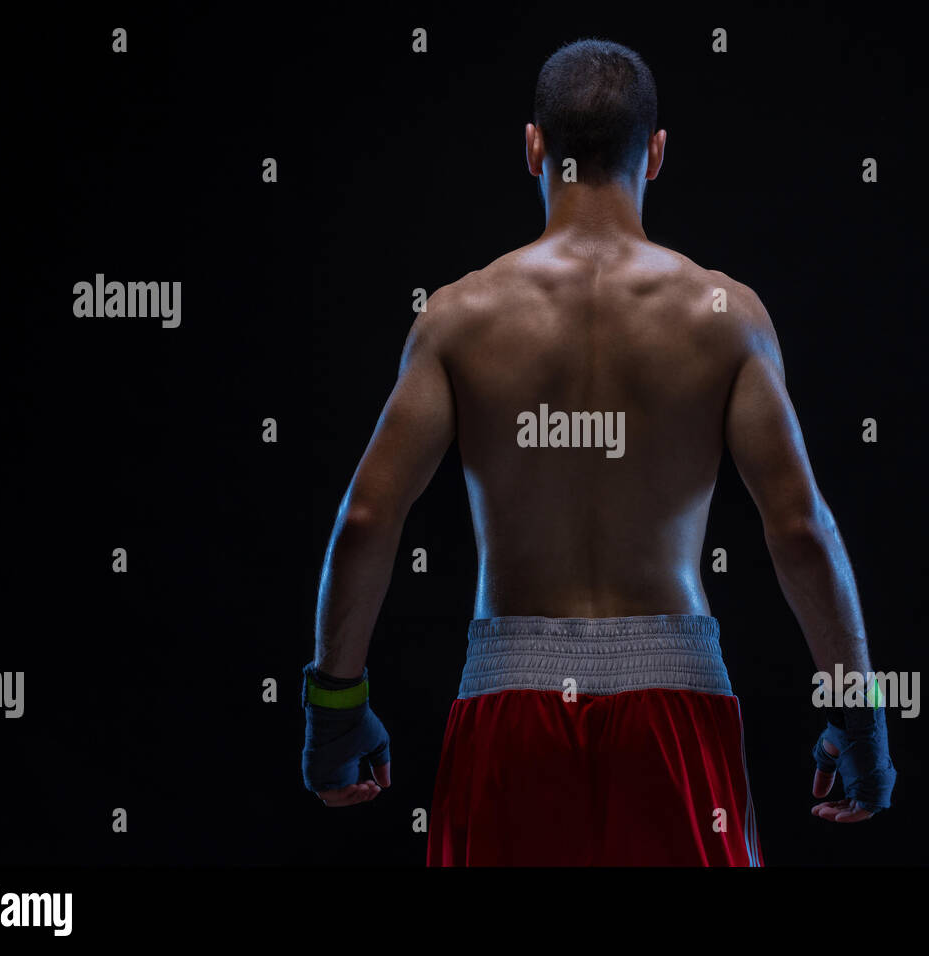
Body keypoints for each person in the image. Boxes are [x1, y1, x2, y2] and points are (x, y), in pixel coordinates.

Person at [300, 38, 895, 866]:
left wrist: (335, 703)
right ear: (654, 154)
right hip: (675, 702)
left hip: (508, 698)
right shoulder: (725, 315)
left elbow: (366, 519)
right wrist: (857, 710)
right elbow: (799, 530)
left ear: (534, 147)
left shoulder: (460, 316)